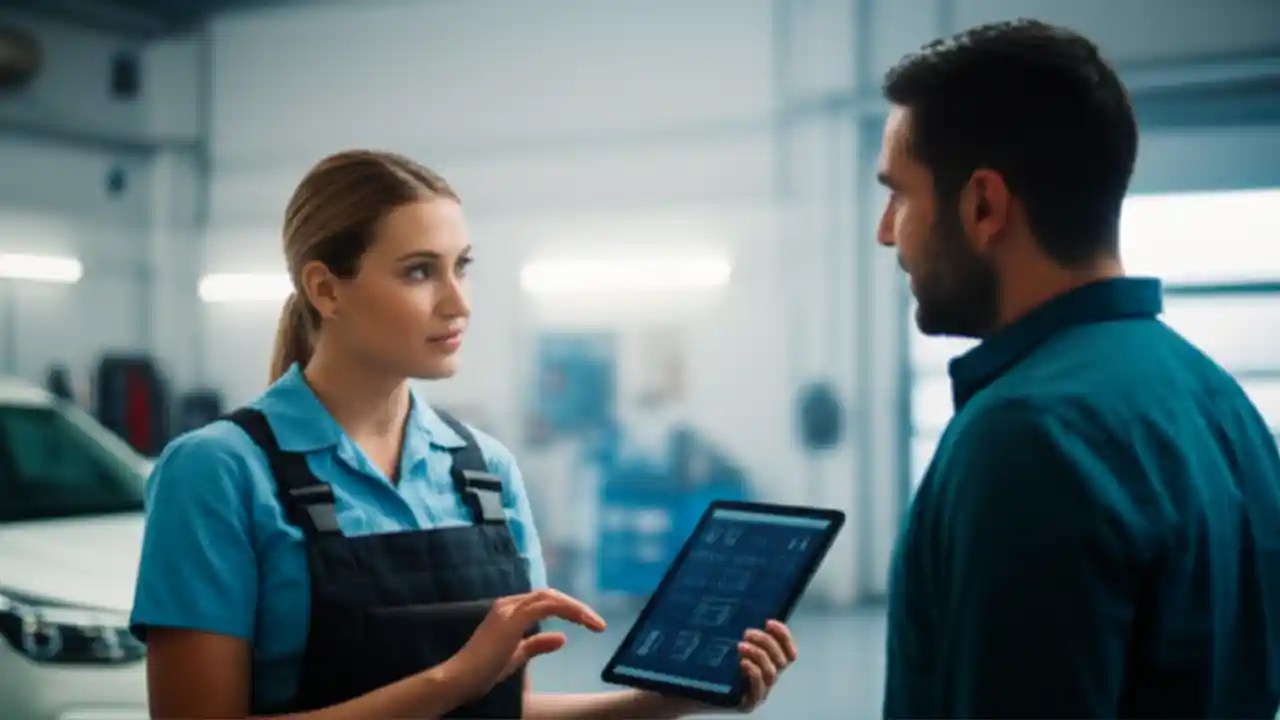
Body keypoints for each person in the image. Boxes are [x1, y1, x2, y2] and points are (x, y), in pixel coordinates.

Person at [129, 150, 799, 719]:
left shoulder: (484, 471)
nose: (459, 301)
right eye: (420, 270)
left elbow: (510, 708)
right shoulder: (217, 472)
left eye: (462, 265)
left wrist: (672, 698)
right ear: (326, 290)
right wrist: (452, 682)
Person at [875, 19, 1280, 719]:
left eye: (900, 194)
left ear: (983, 205)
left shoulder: (1025, 437)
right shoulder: (1218, 400)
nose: (887, 231)